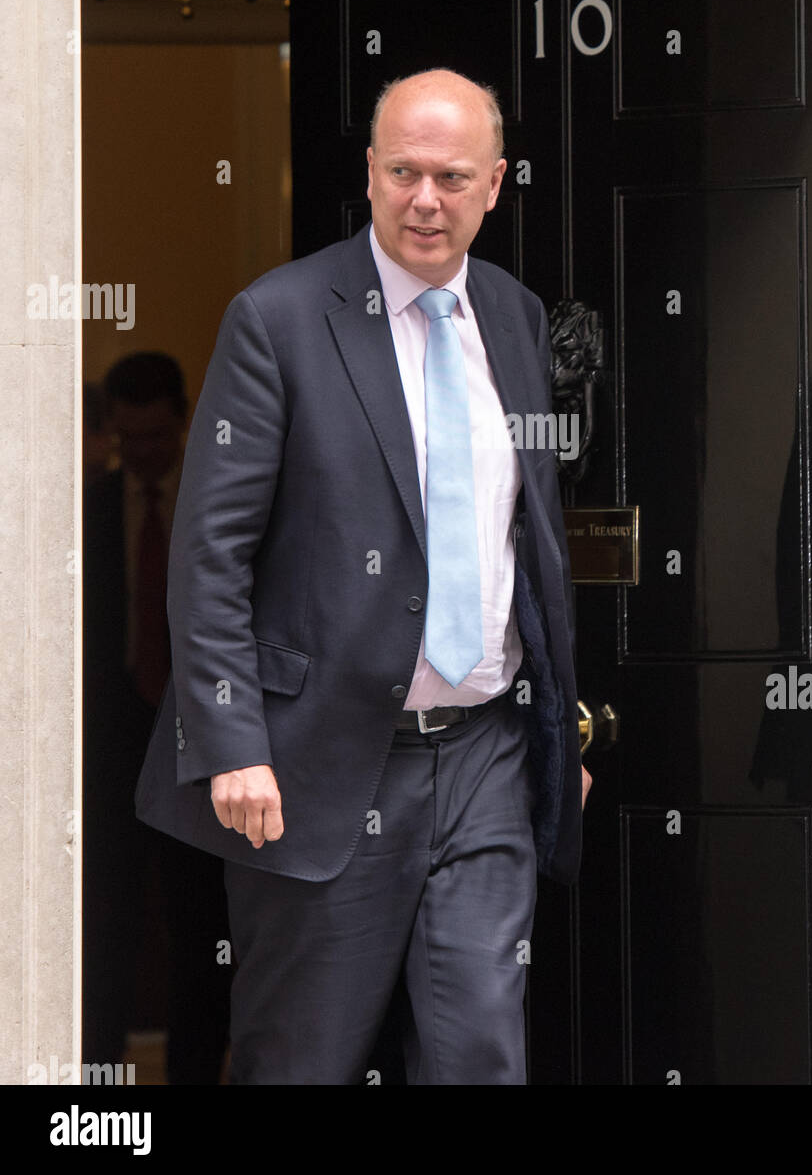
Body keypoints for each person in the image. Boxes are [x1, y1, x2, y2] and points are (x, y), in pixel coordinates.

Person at [136, 68, 590, 1085]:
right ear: (370, 174)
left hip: (484, 759)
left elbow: (531, 541)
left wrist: (560, 733)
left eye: (451, 176)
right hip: (318, 765)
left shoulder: (514, 319)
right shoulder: (280, 319)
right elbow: (209, 552)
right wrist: (231, 740)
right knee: (300, 1058)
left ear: (495, 185)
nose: (425, 198)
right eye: (403, 173)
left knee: (479, 1045)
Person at [83, 353, 230, 1083]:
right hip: (109, 758)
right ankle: (96, 1091)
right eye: (128, 439)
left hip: (200, 751)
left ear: (181, 421)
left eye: (155, 437)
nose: (142, 453)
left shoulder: (216, 509)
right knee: (103, 931)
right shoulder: (86, 514)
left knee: (201, 932)